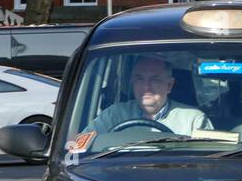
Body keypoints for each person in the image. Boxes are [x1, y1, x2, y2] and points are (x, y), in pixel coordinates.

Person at [83, 55, 211, 138]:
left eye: (154, 79)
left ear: (169, 85)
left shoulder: (194, 120)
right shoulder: (113, 115)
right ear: (132, 82)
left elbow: (209, 162)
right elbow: (80, 146)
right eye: (139, 79)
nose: (146, 87)